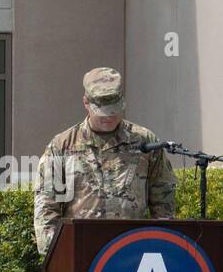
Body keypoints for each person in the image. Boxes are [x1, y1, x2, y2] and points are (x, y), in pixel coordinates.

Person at [34, 66, 177, 254]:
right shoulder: (62, 146)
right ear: (86, 102)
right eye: (102, 110)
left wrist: (162, 247)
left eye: (114, 109)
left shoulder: (145, 142)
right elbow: (47, 207)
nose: (109, 116)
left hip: (133, 251)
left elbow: (163, 201)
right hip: (80, 252)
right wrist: (56, 254)